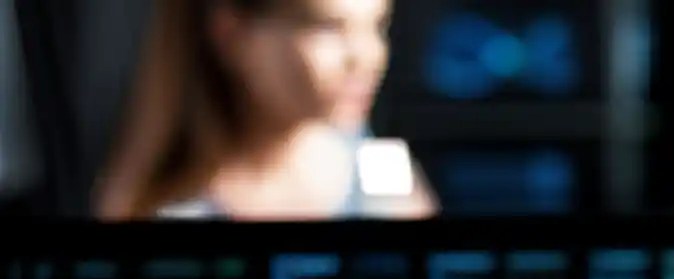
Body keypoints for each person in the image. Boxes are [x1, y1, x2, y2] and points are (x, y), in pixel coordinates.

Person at [95, 0, 437, 220]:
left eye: (378, 26)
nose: (367, 58)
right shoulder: (163, 205)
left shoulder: (382, 164)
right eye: (328, 27)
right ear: (231, 33)